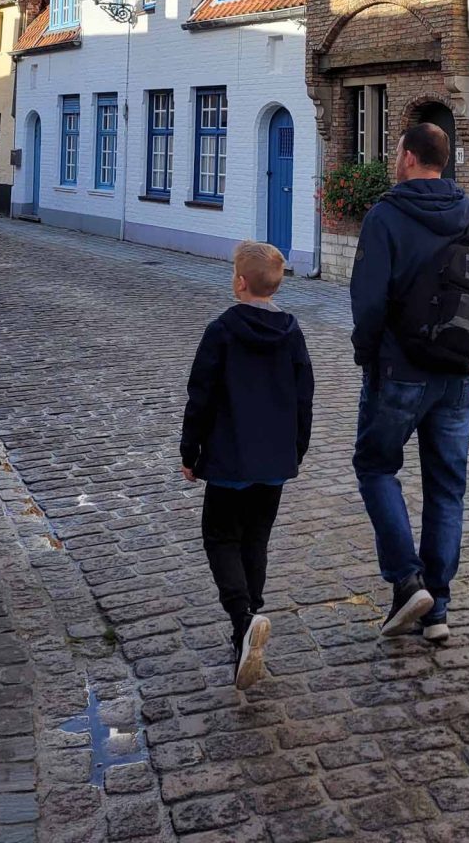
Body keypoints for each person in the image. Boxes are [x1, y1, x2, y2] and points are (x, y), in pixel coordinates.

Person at [351, 121, 469, 644]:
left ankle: (407, 580)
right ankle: (438, 609)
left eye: (397, 150)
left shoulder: (386, 216)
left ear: (409, 157)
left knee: (374, 466)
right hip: (460, 371)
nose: (395, 157)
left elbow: (368, 302)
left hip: (401, 370)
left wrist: (367, 357)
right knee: (446, 487)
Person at [179, 240, 314, 690]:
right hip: (273, 459)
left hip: (228, 457)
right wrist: (297, 447)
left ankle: (243, 619)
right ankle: (250, 621)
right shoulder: (291, 333)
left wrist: (190, 451)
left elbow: (201, 396)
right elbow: (304, 398)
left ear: (239, 282)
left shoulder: (221, 330)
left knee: (220, 536)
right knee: (256, 538)